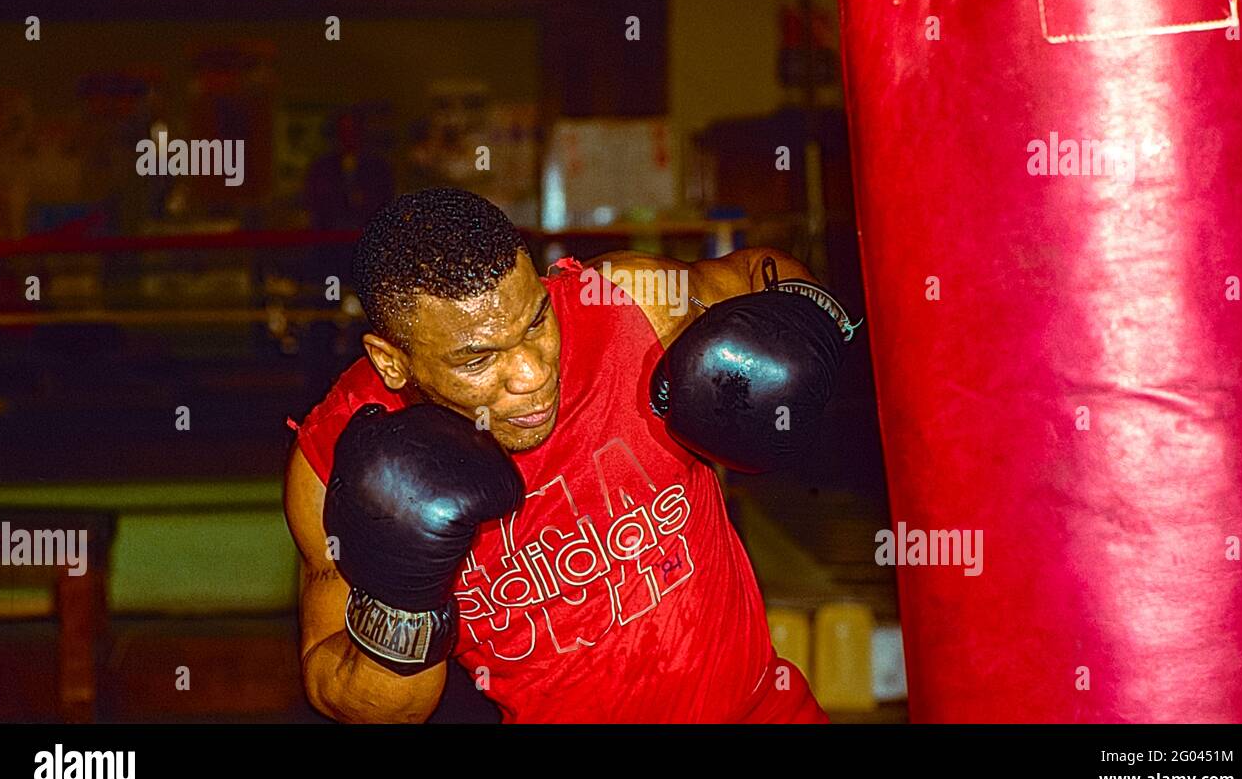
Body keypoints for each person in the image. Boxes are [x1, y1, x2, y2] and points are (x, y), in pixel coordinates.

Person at [283, 188, 853, 723]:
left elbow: (761, 273)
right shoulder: (337, 462)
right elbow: (364, 701)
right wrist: (400, 604)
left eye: (536, 322)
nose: (533, 373)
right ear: (391, 361)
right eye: (477, 360)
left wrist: (801, 324)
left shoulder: (628, 306)